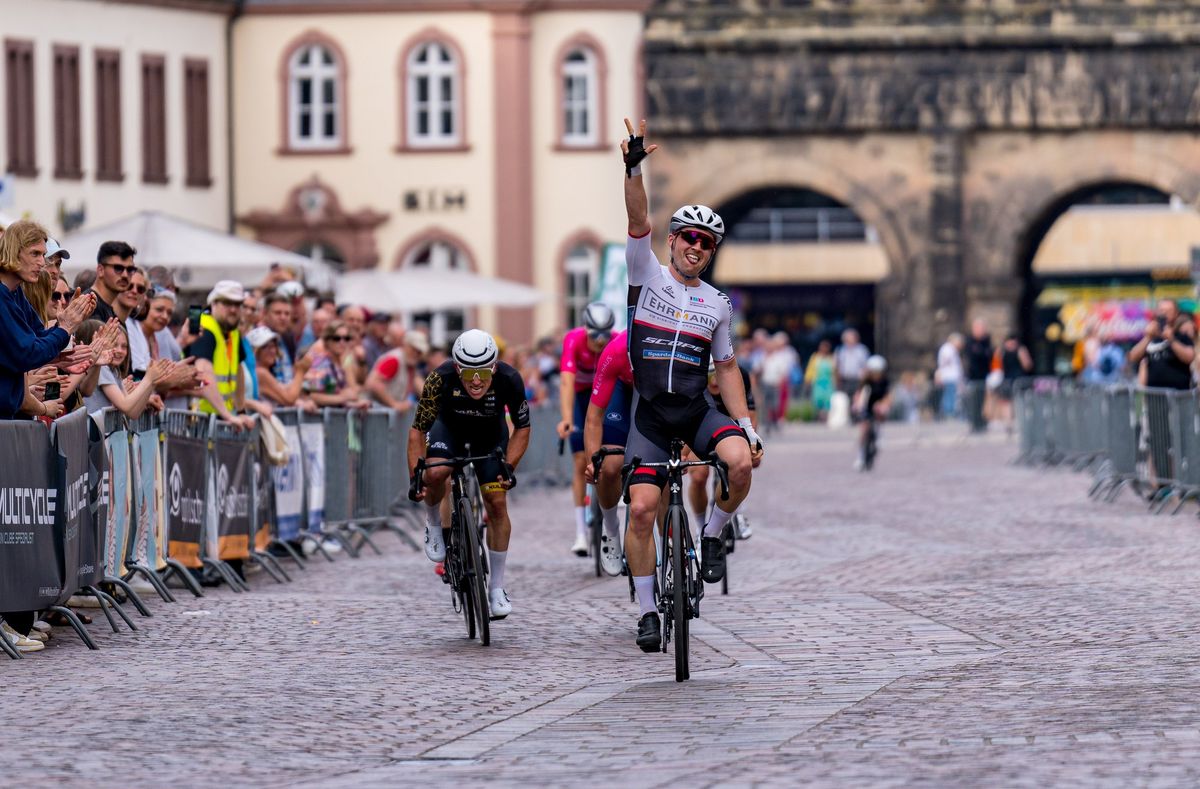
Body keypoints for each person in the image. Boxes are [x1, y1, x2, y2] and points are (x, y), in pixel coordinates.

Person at [620, 117, 762, 652]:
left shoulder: (718, 304)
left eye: (706, 242)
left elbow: (725, 369)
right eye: (688, 238)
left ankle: (710, 537)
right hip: (651, 415)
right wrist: (634, 168)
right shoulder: (646, 273)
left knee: (741, 464)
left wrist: (746, 427)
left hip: (695, 410)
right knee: (640, 510)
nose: (696, 247)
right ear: (674, 241)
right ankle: (646, 609)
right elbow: (637, 219)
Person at [0, 220, 96, 651]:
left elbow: (36, 340)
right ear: (14, 252)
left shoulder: (14, 295)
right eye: (36, 254)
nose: (43, 264)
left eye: (44, 255)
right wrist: (65, 328)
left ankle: (13, 615)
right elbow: (23, 351)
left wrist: (64, 344)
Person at [407, 329, 530, 619]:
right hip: (447, 432)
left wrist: (509, 467)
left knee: (497, 503)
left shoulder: (510, 379)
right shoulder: (439, 378)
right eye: (470, 373)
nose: (477, 381)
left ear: (495, 367)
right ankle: (435, 522)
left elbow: (523, 428)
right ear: (458, 367)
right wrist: (416, 476)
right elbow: (417, 431)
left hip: (490, 437)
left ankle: (497, 588)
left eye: (484, 373)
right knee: (437, 473)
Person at [555, 301, 616, 557]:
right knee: (580, 461)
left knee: (613, 452)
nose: (600, 341)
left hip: (606, 396)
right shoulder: (573, 340)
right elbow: (567, 383)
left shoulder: (616, 341)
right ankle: (581, 533)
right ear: (586, 329)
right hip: (581, 398)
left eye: (605, 334)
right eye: (594, 335)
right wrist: (567, 418)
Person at [687, 358, 760, 538]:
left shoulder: (740, 374)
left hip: (731, 422)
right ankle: (699, 529)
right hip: (699, 423)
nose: (714, 381)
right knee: (698, 475)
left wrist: (753, 447)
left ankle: (738, 511)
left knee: (741, 466)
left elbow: (749, 414)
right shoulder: (691, 377)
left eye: (717, 374)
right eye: (710, 375)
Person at [582, 329, 634, 576]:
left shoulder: (672, 344)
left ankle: (669, 542)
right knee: (610, 466)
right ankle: (611, 528)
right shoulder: (616, 349)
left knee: (665, 469)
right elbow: (593, 418)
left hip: (657, 398)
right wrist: (594, 462)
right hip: (622, 394)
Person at [186, 280, 255, 429]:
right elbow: (203, 373)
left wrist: (241, 410)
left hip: (218, 419)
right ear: (213, 303)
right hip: (196, 419)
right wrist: (229, 415)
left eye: (237, 305)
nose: (233, 310)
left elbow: (238, 369)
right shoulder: (203, 328)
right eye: (227, 304)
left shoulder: (233, 331)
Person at [302, 320, 371, 409]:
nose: (342, 342)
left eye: (346, 338)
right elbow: (310, 395)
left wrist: (354, 404)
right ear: (327, 340)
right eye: (336, 338)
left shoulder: (338, 365)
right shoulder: (321, 364)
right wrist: (343, 398)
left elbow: (335, 395)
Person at [365, 327, 428, 411]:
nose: (416, 354)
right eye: (414, 349)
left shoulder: (410, 364)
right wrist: (394, 404)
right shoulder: (394, 360)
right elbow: (373, 383)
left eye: (419, 351)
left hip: (386, 415)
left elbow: (421, 387)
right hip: (376, 413)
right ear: (406, 345)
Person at [853, 355, 892, 471]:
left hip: (878, 404)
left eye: (878, 372)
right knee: (864, 429)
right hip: (867, 404)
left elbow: (888, 396)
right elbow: (859, 395)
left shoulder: (884, 382)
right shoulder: (865, 381)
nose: (876, 375)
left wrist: (883, 405)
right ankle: (860, 456)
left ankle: (880, 434)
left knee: (881, 413)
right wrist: (857, 405)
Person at [85, 240, 136, 323]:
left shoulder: (107, 309)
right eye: (118, 268)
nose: (125, 275)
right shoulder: (89, 306)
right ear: (100, 270)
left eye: (130, 269)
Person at [992, 333, 1033, 432]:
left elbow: (995, 366)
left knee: (1009, 403)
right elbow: (1027, 365)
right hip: (1015, 380)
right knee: (1012, 402)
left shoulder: (1002, 351)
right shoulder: (1018, 350)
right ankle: (1013, 423)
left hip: (1011, 380)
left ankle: (1010, 423)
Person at [964, 319, 993, 433]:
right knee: (973, 401)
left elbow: (988, 355)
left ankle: (981, 422)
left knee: (981, 401)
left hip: (983, 376)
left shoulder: (986, 341)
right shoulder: (970, 341)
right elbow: (974, 356)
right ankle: (974, 423)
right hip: (973, 377)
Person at [803, 339, 836, 419]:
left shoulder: (831, 358)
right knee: (818, 400)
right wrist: (807, 379)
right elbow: (810, 369)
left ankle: (826, 417)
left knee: (828, 400)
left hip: (828, 383)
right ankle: (817, 417)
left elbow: (834, 371)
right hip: (817, 383)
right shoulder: (815, 357)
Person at [935, 333, 964, 419]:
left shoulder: (952, 349)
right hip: (948, 376)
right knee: (949, 396)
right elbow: (945, 362)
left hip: (952, 377)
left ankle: (950, 412)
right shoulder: (948, 349)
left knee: (952, 396)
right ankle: (948, 413)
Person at [834, 328, 869, 397]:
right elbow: (837, 366)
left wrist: (863, 381)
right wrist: (837, 380)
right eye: (847, 339)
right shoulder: (840, 350)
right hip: (844, 380)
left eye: (852, 338)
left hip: (857, 380)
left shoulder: (862, 350)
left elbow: (866, 366)